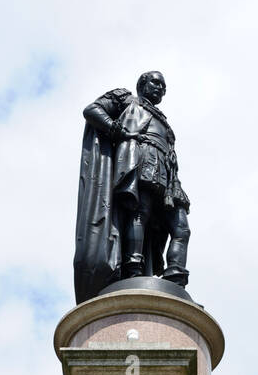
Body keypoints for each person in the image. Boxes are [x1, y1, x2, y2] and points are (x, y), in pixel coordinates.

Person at [74, 71, 191, 302]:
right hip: (141, 159)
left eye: (164, 87)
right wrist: (116, 129)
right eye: (155, 83)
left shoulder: (164, 121)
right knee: (140, 213)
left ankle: (175, 279)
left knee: (181, 228)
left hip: (169, 175)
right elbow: (92, 110)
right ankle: (134, 267)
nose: (160, 88)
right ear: (142, 85)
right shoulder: (126, 99)